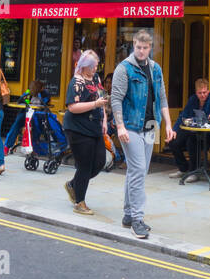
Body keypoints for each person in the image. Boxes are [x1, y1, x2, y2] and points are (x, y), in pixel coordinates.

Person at [110, 28, 174, 239]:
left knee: (138, 171)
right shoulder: (124, 68)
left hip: (150, 126)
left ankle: (128, 214)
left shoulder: (156, 69)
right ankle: (137, 219)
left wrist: (168, 125)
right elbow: (116, 99)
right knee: (137, 170)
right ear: (133, 45)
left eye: (145, 48)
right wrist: (119, 126)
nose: (141, 51)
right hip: (130, 126)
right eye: (138, 47)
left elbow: (162, 98)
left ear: (150, 48)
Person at [63, 49, 108, 215]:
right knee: (85, 165)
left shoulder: (95, 78)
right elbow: (72, 107)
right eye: (93, 66)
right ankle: (79, 202)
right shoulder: (76, 82)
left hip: (94, 127)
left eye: (96, 66)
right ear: (84, 66)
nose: (96, 69)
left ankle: (74, 185)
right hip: (77, 128)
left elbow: (102, 98)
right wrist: (94, 105)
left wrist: (103, 119)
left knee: (99, 163)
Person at [170, 78, 210, 179]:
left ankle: (194, 172)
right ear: (196, 92)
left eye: (205, 92)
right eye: (200, 93)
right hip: (192, 130)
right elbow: (183, 115)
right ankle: (183, 169)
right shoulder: (193, 99)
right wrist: (174, 131)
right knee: (173, 141)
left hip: (208, 133)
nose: (203, 95)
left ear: (208, 91)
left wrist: (194, 119)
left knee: (192, 140)